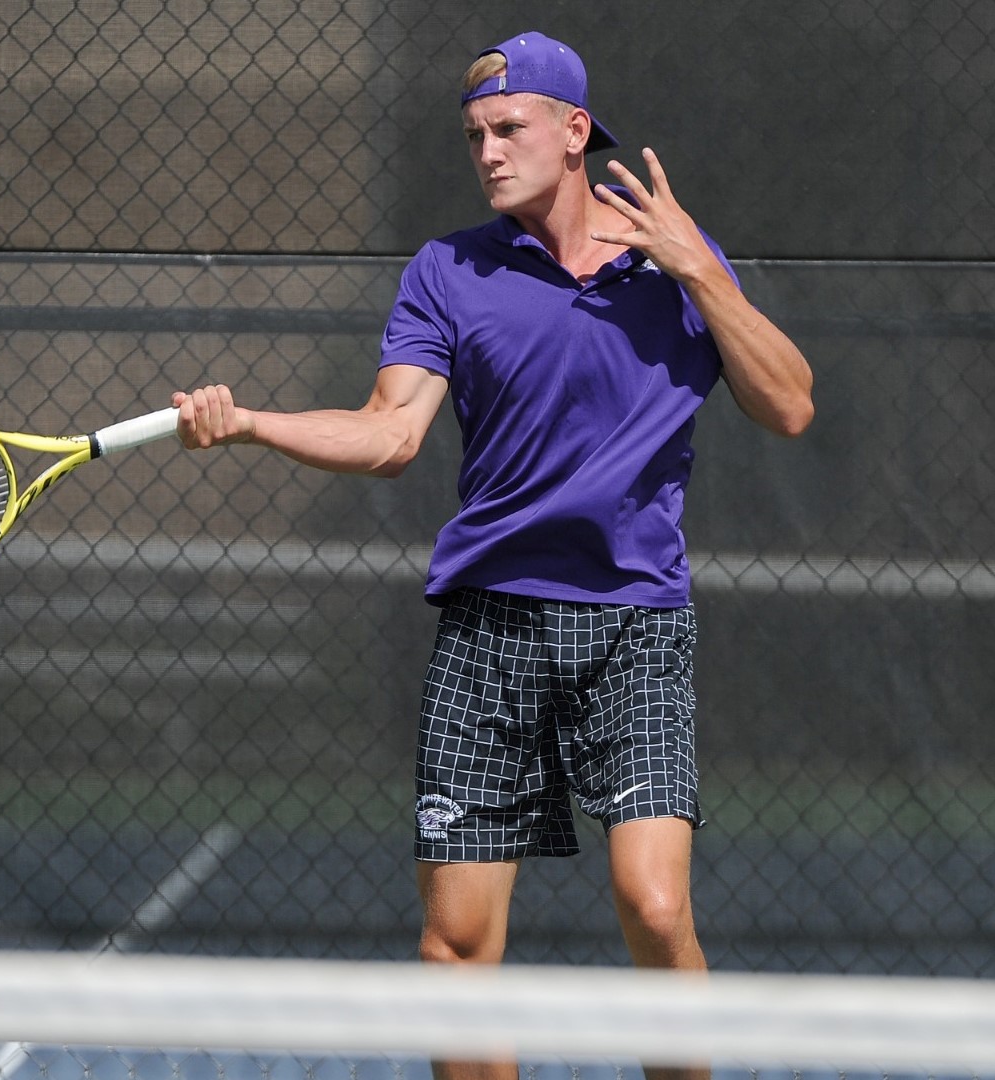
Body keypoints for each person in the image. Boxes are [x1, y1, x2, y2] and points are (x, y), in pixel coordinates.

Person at [175, 29, 812, 1080]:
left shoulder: (675, 261)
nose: (486, 152)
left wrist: (699, 269)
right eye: (473, 134)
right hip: (491, 630)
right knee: (457, 948)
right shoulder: (447, 272)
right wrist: (249, 422)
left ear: (573, 133)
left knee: (656, 910)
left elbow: (787, 404)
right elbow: (389, 435)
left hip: (635, 628)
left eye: (507, 128)